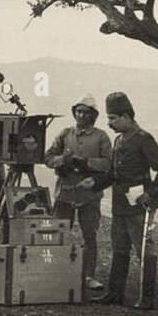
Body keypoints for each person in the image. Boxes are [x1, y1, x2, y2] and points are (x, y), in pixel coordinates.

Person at [94, 91, 158, 307]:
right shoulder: (119, 140)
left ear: (126, 116)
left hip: (140, 207)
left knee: (145, 252)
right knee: (119, 249)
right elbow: (113, 174)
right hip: (120, 206)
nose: (109, 123)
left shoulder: (143, 140)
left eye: (112, 118)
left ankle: (147, 298)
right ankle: (115, 294)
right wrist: (94, 184)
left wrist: (151, 193)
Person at [44, 94, 113, 292]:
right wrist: (62, 162)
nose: (82, 116)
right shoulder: (65, 134)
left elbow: (109, 163)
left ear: (94, 115)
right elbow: (48, 157)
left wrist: (86, 163)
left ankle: (89, 275)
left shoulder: (101, 137)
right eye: (79, 111)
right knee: (58, 232)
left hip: (89, 195)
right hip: (65, 193)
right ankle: (57, 272)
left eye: (86, 112)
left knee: (89, 235)